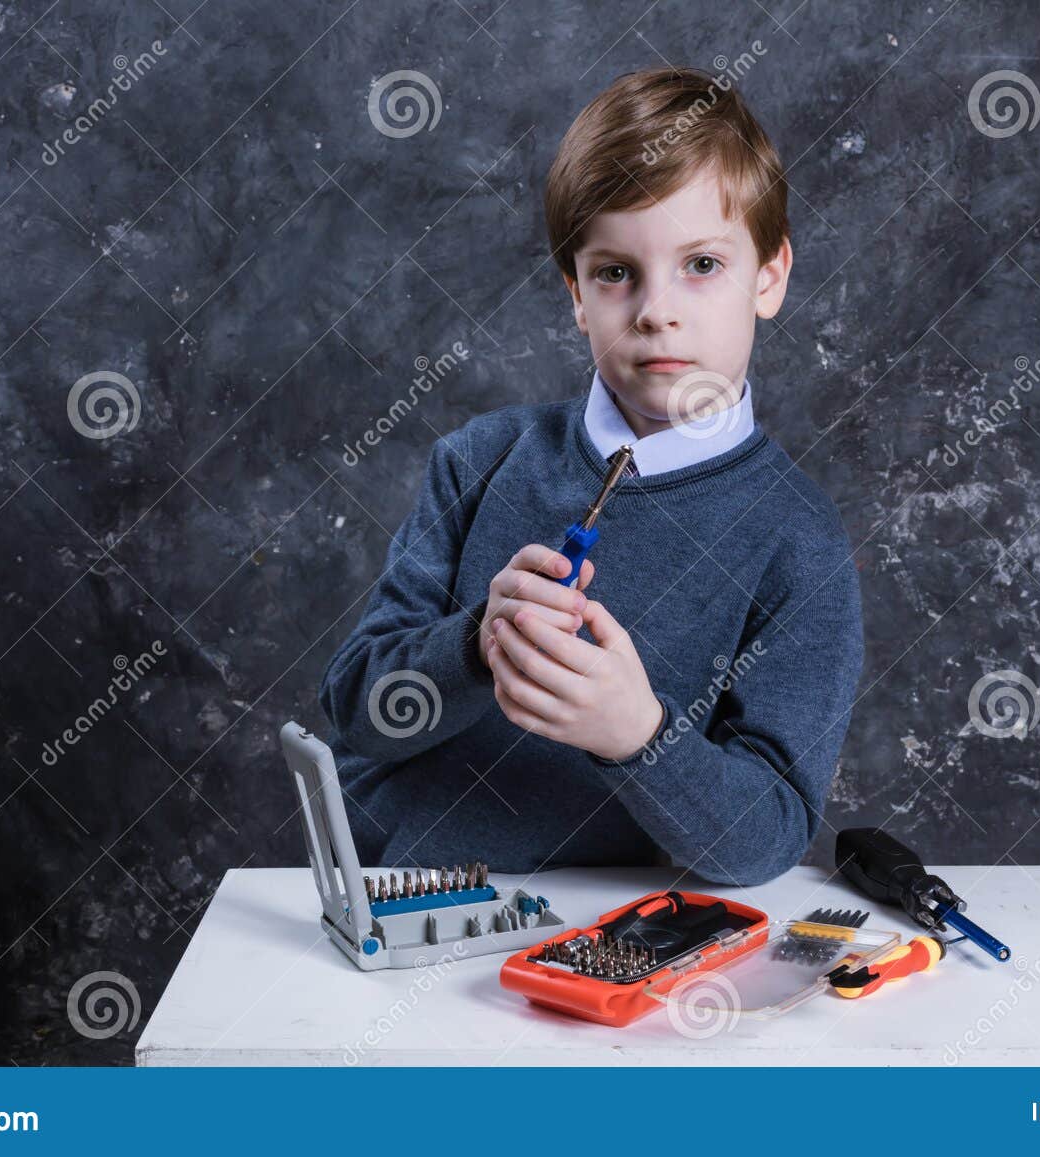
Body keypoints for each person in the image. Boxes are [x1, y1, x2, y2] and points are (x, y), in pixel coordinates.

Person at [317, 66, 864, 886]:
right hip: (388, 906)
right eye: (616, 273)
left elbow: (767, 835)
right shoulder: (480, 459)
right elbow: (356, 711)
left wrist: (639, 736)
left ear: (770, 277)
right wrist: (474, 646)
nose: (655, 310)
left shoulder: (799, 544)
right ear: (576, 294)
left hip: (589, 943)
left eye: (702, 265)